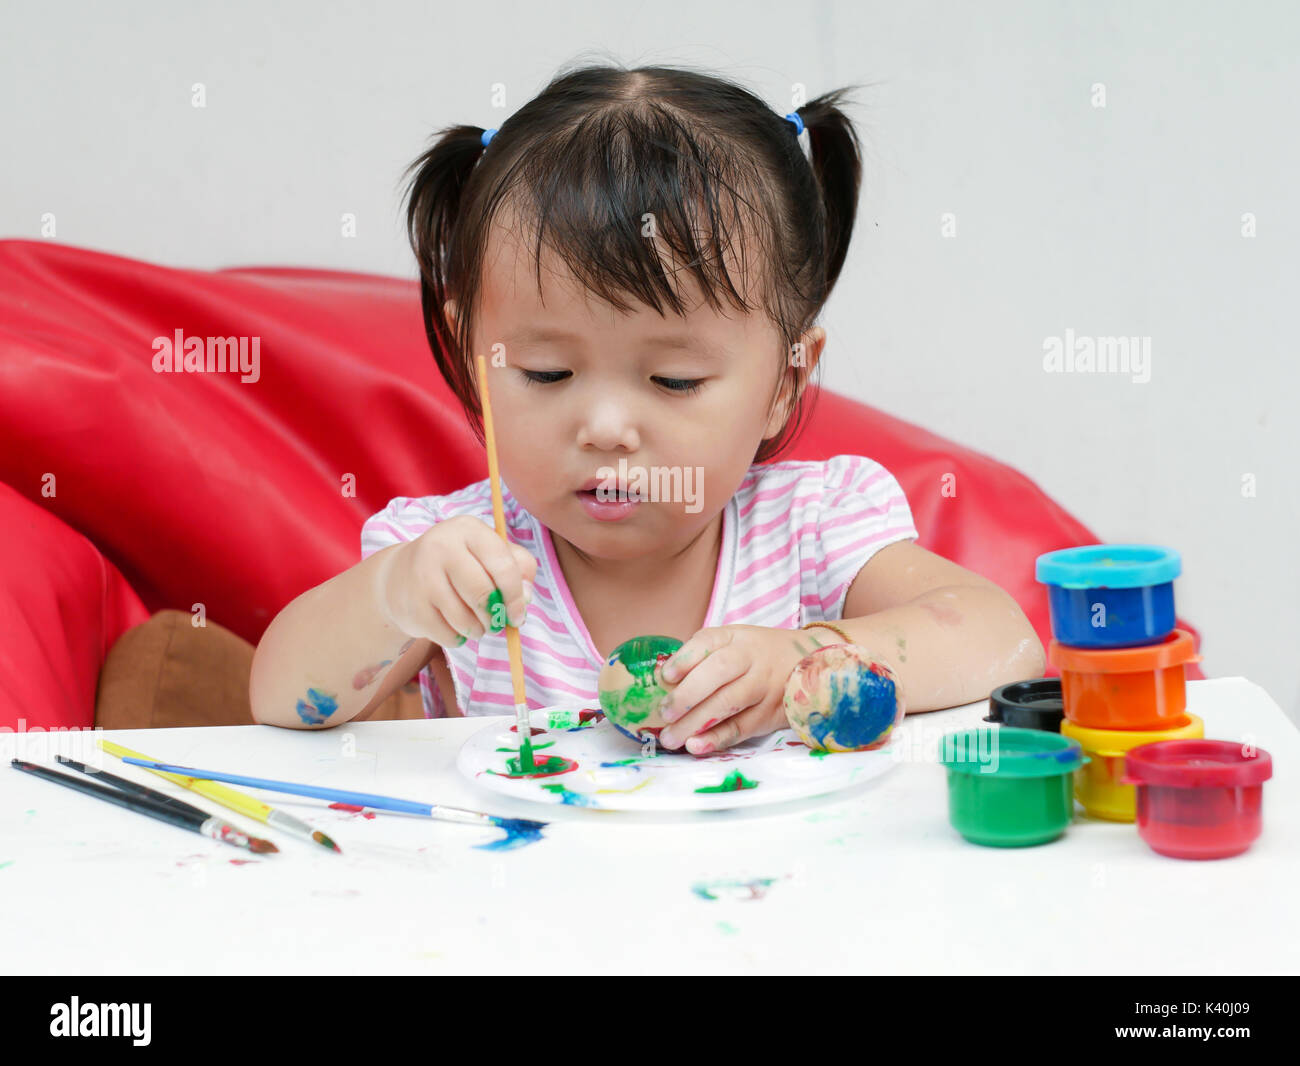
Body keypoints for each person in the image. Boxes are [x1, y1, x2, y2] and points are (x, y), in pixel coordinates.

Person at [250, 61, 1045, 752]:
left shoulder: (811, 528)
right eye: (548, 371)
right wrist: (395, 593)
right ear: (473, 358)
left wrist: (803, 659)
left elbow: (1002, 641)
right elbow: (282, 701)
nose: (605, 428)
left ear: (784, 385)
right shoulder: (455, 561)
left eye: (673, 382)